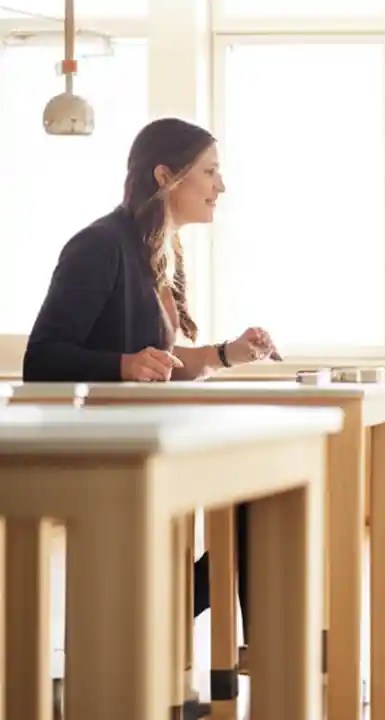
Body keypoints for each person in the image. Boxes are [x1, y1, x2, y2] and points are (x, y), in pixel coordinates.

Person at [22, 117, 279, 642]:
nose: (220, 186)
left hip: (150, 435)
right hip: (106, 448)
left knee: (267, 484)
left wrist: (229, 353)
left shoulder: (161, 253)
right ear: (166, 175)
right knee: (261, 491)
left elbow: (160, 360)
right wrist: (121, 365)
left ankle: (182, 625)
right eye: (210, 172)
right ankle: (172, 625)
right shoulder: (97, 246)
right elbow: (41, 359)